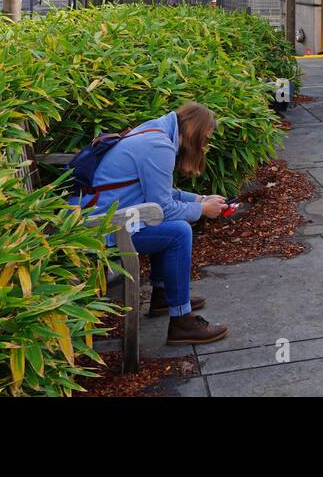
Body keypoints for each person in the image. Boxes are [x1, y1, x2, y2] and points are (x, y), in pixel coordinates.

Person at [72, 102, 230, 345]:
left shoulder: (154, 130)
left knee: (166, 226)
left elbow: (160, 194)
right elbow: (163, 209)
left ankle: (163, 296)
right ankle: (181, 323)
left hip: (98, 216)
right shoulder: (159, 147)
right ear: (194, 132)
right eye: (205, 140)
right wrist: (201, 210)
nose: (203, 146)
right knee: (178, 232)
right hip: (98, 228)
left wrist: (199, 199)